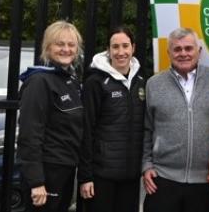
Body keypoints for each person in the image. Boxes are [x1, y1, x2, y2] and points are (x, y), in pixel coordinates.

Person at [141, 28, 209, 212]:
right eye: (177, 49)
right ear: (169, 53)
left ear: (199, 51)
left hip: (205, 181)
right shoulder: (153, 84)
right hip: (162, 179)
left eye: (188, 48)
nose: (183, 53)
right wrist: (146, 166)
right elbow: (147, 129)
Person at [17, 20, 84, 212]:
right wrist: (36, 181)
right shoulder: (39, 82)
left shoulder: (69, 81)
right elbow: (30, 134)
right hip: (47, 173)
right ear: (48, 47)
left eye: (71, 45)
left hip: (65, 169)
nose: (66, 49)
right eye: (59, 44)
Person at [78, 26, 146, 212]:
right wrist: (85, 177)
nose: (121, 52)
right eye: (115, 47)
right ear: (108, 50)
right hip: (101, 177)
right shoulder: (95, 82)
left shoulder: (140, 81)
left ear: (133, 48)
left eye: (125, 46)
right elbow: (86, 129)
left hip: (131, 177)